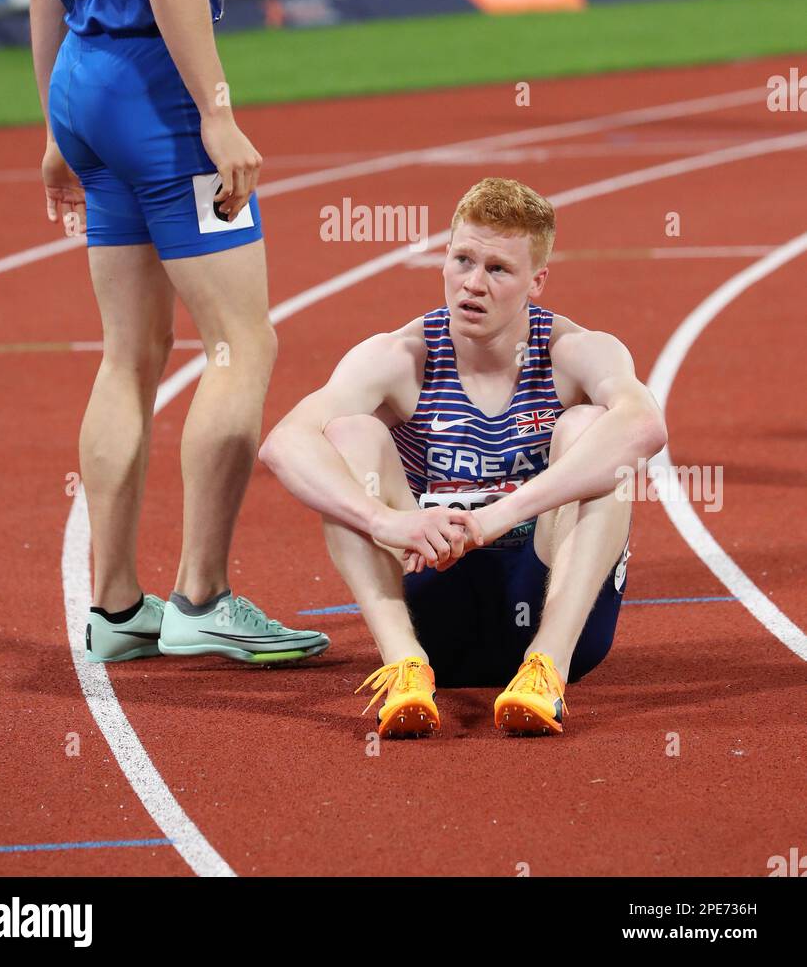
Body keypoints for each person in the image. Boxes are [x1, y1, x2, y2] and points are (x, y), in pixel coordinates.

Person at [29, 0, 328, 666]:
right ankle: (202, 594)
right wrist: (217, 111)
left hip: (90, 82)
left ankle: (114, 611)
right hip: (153, 92)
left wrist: (56, 116)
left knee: (128, 353)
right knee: (242, 342)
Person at [259, 177, 667, 737]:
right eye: (462, 260)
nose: (473, 284)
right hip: (432, 596)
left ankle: (545, 670)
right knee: (349, 435)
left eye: (498, 269)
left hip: (549, 597)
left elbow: (645, 426)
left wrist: (493, 519)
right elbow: (284, 442)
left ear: (536, 281)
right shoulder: (400, 356)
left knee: (594, 427)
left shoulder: (574, 352)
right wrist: (388, 520)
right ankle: (403, 666)